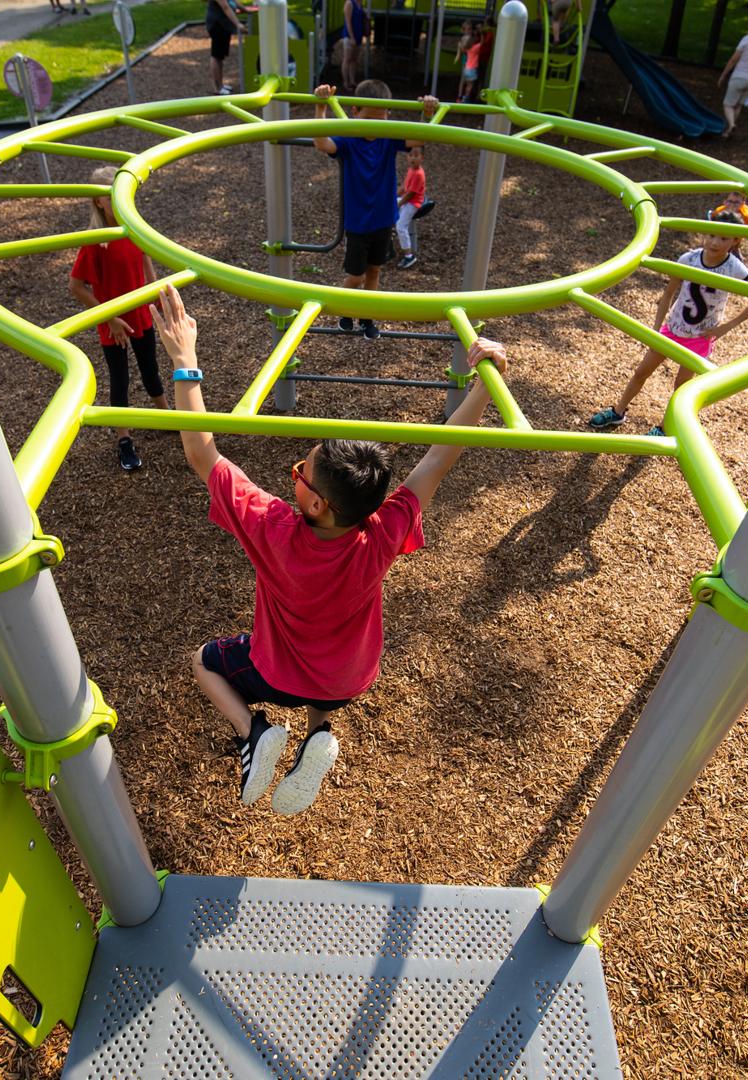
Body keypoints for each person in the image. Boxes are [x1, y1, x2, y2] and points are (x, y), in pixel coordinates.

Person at [151, 282, 509, 814]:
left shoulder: (272, 527)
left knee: (204, 662)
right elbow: (439, 458)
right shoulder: (381, 533)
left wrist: (184, 360)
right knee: (325, 680)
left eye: (301, 471)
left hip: (275, 673)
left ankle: (253, 733)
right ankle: (318, 735)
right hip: (347, 679)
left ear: (317, 504)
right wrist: (486, 382)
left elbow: (200, 451)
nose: (294, 473)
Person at [585, 212, 748, 437]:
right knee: (641, 372)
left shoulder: (734, 268)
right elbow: (668, 293)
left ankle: (663, 427)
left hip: (699, 338)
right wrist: (655, 327)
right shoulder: (689, 259)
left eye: (723, 238)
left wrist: (726, 327)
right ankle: (618, 411)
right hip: (672, 328)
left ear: (735, 241)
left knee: (681, 387)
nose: (714, 242)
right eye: (711, 235)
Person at [310, 82, 439, 338]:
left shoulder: (388, 137)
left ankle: (367, 319)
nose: (374, 126)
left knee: (375, 271)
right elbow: (322, 142)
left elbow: (421, 136)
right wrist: (321, 107)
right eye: (368, 119)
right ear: (355, 111)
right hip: (358, 222)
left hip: (383, 219)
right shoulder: (349, 138)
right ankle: (344, 309)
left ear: (388, 117)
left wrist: (427, 112)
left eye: (380, 120)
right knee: (355, 276)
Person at [69, 166, 168, 471]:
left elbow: (147, 265)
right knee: (120, 379)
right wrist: (110, 318)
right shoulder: (96, 241)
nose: (118, 202)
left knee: (151, 368)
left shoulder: (133, 229)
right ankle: (124, 439)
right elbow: (76, 287)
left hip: (140, 315)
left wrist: (159, 303)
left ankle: (166, 418)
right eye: (111, 197)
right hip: (114, 324)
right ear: (99, 201)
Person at [395, 146, 427, 270]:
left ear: (422, 158)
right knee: (386, 207)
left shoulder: (419, 174)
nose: (413, 158)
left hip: (413, 203)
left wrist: (399, 203)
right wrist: (394, 197)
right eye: (410, 155)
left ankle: (409, 256)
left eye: (416, 155)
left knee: (401, 227)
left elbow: (410, 194)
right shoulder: (411, 170)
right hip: (407, 200)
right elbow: (404, 187)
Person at [207, 0, 247, 94]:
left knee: (220, 56)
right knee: (216, 56)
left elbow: (234, 1)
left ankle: (221, 85)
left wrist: (245, 9)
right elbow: (226, 7)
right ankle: (218, 88)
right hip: (217, 24)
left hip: (223, 25)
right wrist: (238, 24)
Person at [338, 0, 373, 90]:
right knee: (347, 59)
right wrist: (352, 37)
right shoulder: (349, 3)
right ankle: (345, 83)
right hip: (349, 37)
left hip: (358, 36)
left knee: (354, 60)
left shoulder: (360, 4)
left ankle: (352, 81)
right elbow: (348, 22)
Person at [457, 21, 493, 104]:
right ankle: (466, 98)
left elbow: (462, 49)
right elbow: (482, 43)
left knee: (465, 82)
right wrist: (481, 34)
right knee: (470, 84)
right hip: (472, 69)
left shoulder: (468, 49)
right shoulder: (475, 49)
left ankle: (461, 97)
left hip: (467, 67)